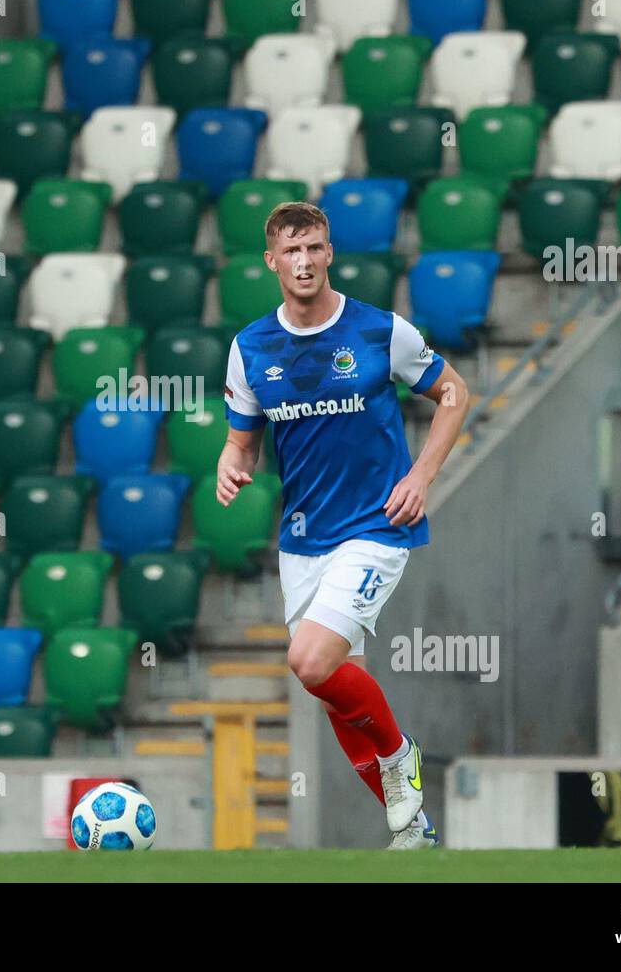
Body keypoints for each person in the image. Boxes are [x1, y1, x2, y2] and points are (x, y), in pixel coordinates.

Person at [216, 202, 470, 850]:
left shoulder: (380, 331)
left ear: (330, 254)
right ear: (271, 261)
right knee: (334, 693)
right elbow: (241, 441)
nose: (304, 261)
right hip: (303, 539)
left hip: (375, 525)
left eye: (315, 248)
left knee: (309, 659)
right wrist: (230, 462)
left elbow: (454, 394)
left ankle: (400, 753)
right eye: (292, 251)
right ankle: (412, 827)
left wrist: (421, 477)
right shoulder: (250, 350)